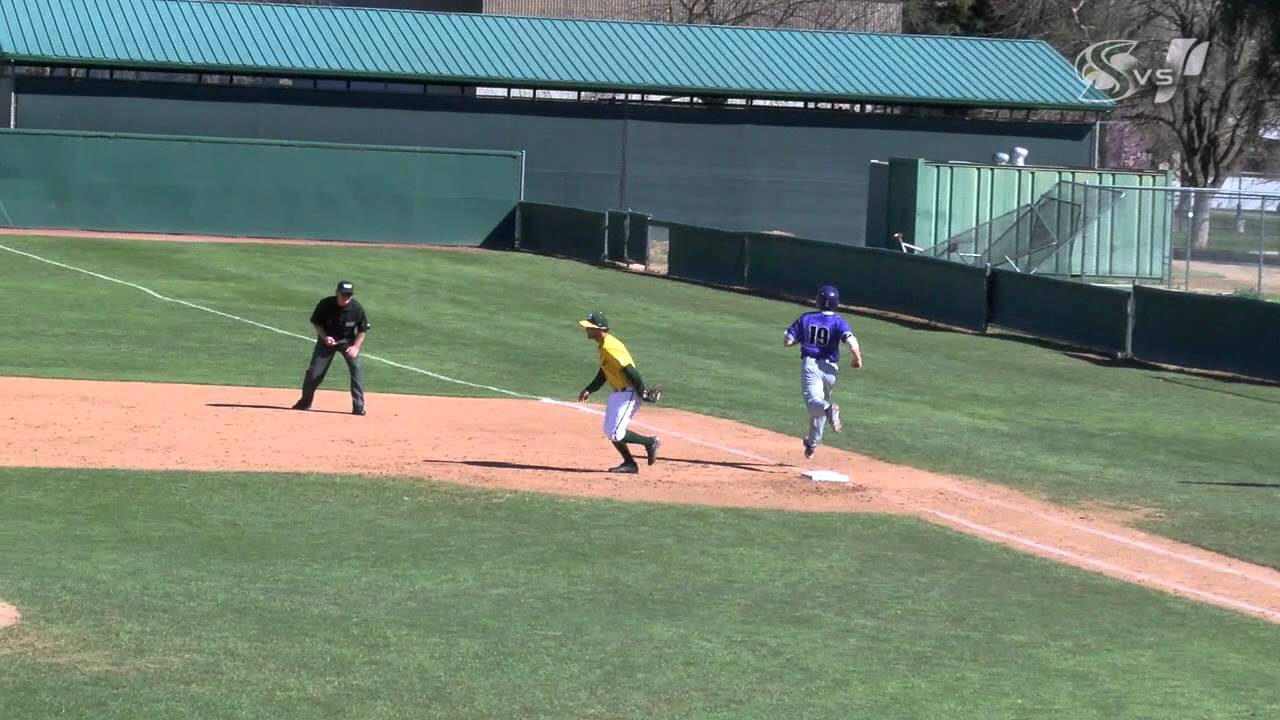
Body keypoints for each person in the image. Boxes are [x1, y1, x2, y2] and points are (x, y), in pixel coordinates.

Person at [576, 311, 662, 473]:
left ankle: (650, 442)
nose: (586, 330)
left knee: (616, 433)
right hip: (618, 394)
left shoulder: (610, 346)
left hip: (628, 393)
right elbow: (604, 372)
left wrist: (642, 392)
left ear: (600, 329)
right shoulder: (602, 346)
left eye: (590, 327)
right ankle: (630, 464)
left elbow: (630, 370)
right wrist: (590, 389)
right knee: (611, 431)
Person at [784, 285, 863, 458]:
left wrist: (802, 339)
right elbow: (850, 340)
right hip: (830, 371)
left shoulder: (806, 318)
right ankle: (812, 443)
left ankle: (829, 410)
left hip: (811, 366)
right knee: (820, 403)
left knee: (815, 403)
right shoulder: (838, 321)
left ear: (818, 301)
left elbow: (787, 341)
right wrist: (857, 358)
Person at [292, 280, 370, 415]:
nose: (346, 298)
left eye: (349, 295)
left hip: (348, 342)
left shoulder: (356, 308)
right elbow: (317, 323)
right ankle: (305, 402)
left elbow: (362, 330)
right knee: (314, 373)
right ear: (337, 293)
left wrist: (356, 347)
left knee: (356, 369)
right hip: (327, 341)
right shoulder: (325, 305)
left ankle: (358, 407)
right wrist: (325, 337)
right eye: (344, 295)